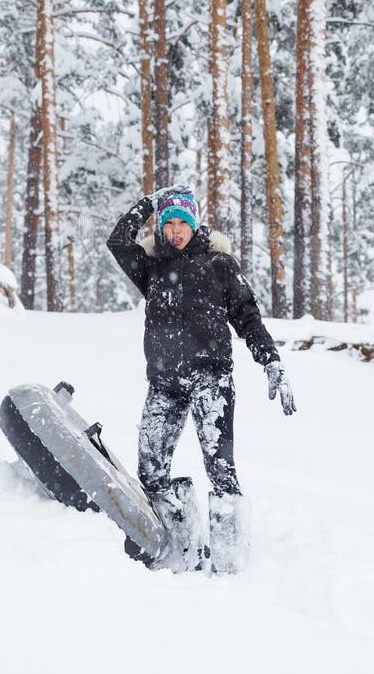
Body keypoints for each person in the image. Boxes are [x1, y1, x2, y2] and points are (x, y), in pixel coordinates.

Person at [107, 186, 296, 574]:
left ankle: (230, 567)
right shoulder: (152, 268)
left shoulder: (219, 264)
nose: (176, 230)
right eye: (169, 223)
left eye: (183, 223)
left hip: (211, 380)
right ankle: (184, 553)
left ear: (195, 225)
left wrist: (271, 360)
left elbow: (248, 318)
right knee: (151, 473)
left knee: (221, 471)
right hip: (165, 384)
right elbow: (118, 241)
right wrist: (148, 204)